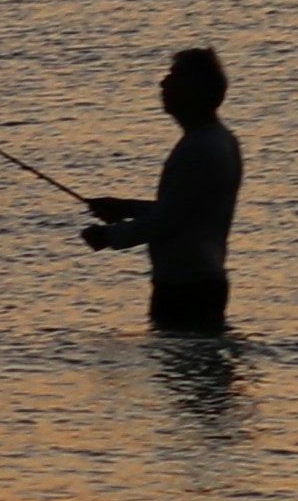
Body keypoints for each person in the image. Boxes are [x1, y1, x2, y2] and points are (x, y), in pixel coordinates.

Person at [90, 49, 243, 333]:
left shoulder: (199, 148)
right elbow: (185, 210)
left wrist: (109, 236)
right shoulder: (220, 141)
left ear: (195, 89)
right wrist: (126, 208)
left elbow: (166, 222)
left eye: (174, 77)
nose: (163, 84)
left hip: (185, 290)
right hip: (202, 281)